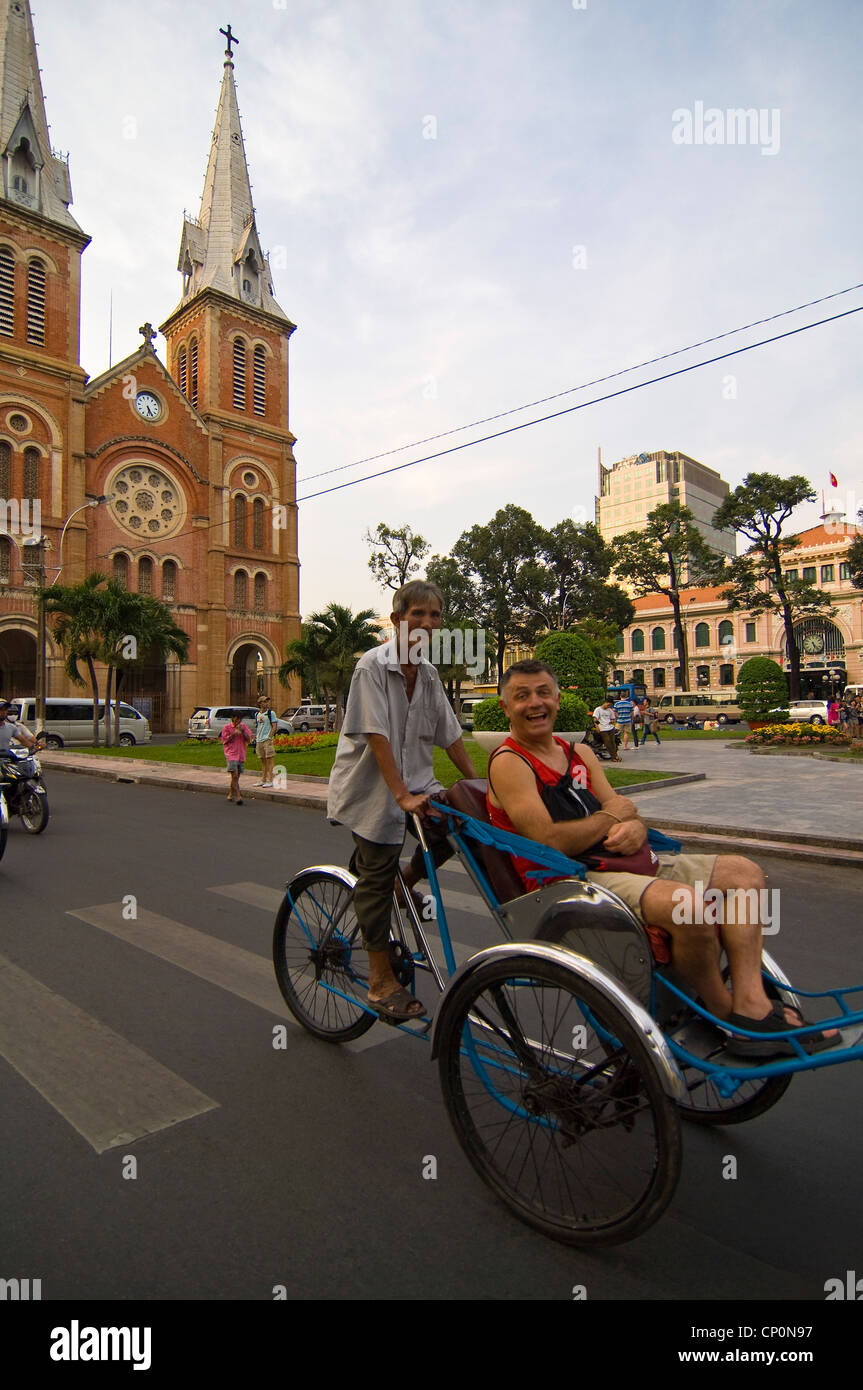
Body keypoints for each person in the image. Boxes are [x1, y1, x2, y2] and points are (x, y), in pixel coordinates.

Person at [485, 660, 838, 1059]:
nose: (535, 703)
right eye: (522, 696)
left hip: (627, 858)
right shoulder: (510, 763)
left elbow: (624, 807)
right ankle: (724, 1014)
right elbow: (550, 840)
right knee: (693, 909)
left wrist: (631, 825)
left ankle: (751, 1006)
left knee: (746, 875)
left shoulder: (579, 751)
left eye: (543, 692)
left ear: (558, 698)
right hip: (573, 880)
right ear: (505, 708)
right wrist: (614, 818)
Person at [327, 579, 478, 1023]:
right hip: (373, 790)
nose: (427, 623)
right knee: (374, 876)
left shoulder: (428, 675)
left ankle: (405, 880)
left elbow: (450, 735)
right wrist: (400, 795)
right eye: (418, 614)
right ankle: (378, 982)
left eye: (434, 616)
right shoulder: (372, 667)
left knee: (461, 823)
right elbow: (377, 736)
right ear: (397, 620)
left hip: (418, 783)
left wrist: (480, 788)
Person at [220, 712, 251, 805]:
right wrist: (233, 734)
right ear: (232, 718)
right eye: (236, 719)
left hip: (241, 753)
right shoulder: (227, 728)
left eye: (240, 719)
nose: (238, 721)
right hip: (231, 754)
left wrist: (243, 731)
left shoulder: (244, 727)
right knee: (235, 775)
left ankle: (231, 793)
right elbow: (225, 741)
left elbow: (249, 739)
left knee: (236, 777)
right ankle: (238, 796)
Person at [254, 696, 277, 788]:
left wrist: (269, 737)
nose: (266, 703)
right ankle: (263, 779)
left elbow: (274, 726)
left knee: (270, 760)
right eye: (264, 701)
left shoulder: (271, 713)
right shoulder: (257, 714)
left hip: (267, 740)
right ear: (260, 703)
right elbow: (258, 726)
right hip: (259, 740)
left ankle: (271, 780)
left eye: (267, 701)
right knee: (263, 760)